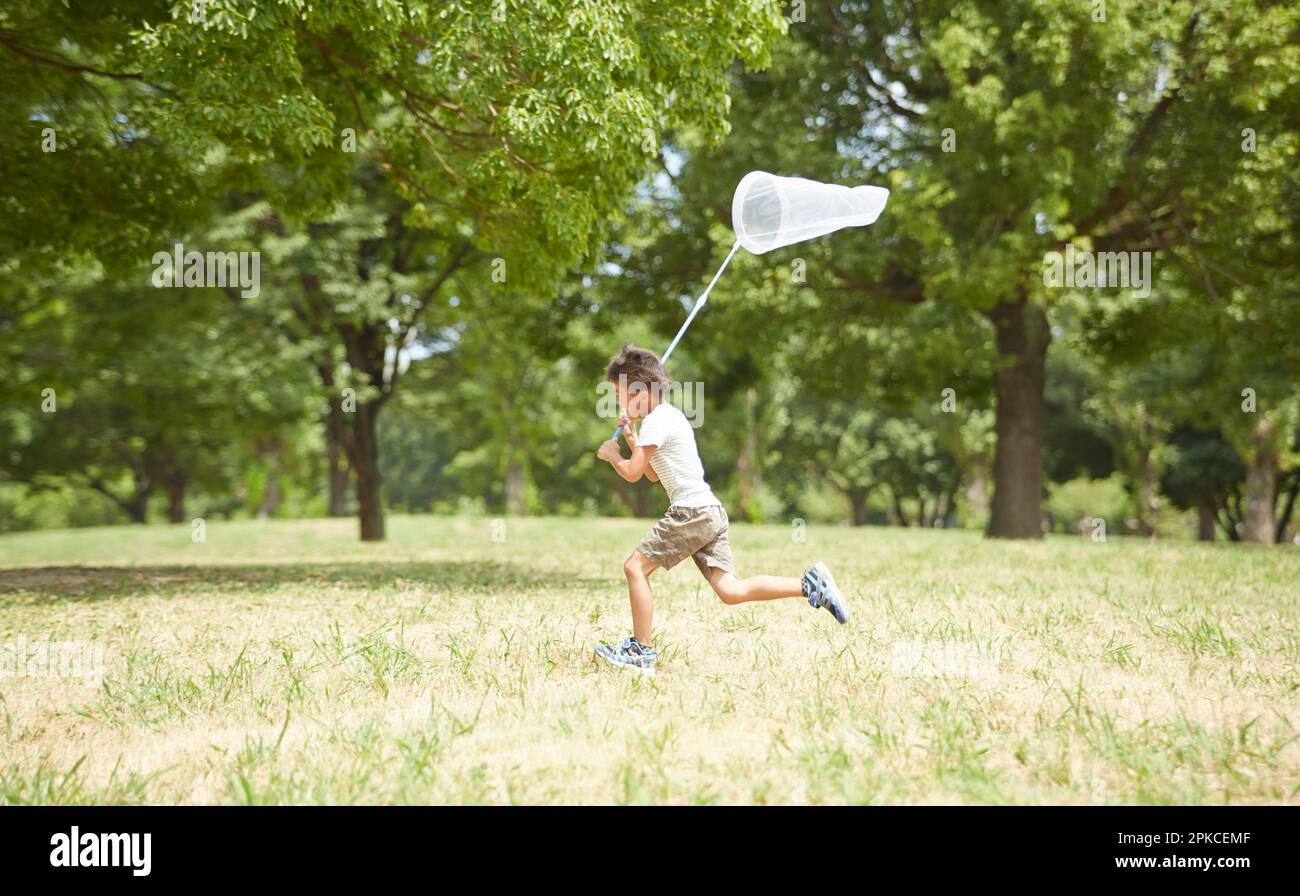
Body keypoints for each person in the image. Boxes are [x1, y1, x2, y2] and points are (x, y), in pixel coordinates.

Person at [594, 345, 848, 675]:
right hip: (709, 511)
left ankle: (641, 652)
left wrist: (612, 455)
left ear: (640, 391)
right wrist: (630, 438)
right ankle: (809, 584)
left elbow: (631, 473)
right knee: (730, 591)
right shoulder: (665, 419)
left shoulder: (657, 422)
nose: (618, 402)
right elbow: (652, 472)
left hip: (691, 513)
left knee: (635, 568)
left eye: (619, 393)